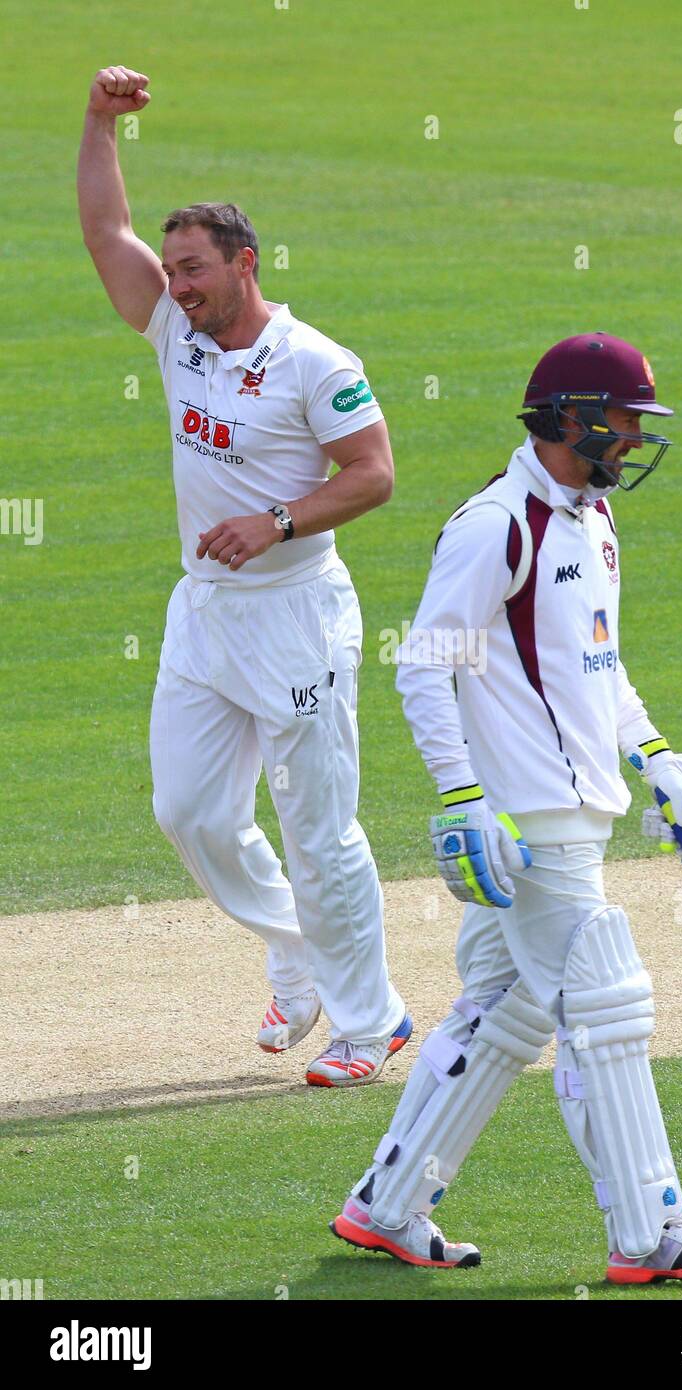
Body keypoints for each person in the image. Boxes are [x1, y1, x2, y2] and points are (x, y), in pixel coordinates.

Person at [329, 332, 682, 1280]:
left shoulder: (594, 520)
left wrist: (652, 749)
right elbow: (423, 668)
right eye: (625, 420)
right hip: (526, 823)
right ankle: (654, 1234)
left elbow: (598, 668)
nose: (637, 438)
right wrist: (462, 798)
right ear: (572, 418)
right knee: (606, 1003)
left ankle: (385, 1206)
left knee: (502, 1013)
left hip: (576, 812)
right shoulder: (499, 526)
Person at [77, 64, 410, 1087]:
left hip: (296, 614)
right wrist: (98, 121)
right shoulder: (177, 336)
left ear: (244, 264)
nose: (176, 285)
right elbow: (104, 234)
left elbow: (374, 475)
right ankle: (299, 955)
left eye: (194, 269)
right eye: (171, 269)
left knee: (318, 826)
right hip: (206, 611)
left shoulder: (317, 361)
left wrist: (274, 521)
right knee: (190, 811)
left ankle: (372, 1023)